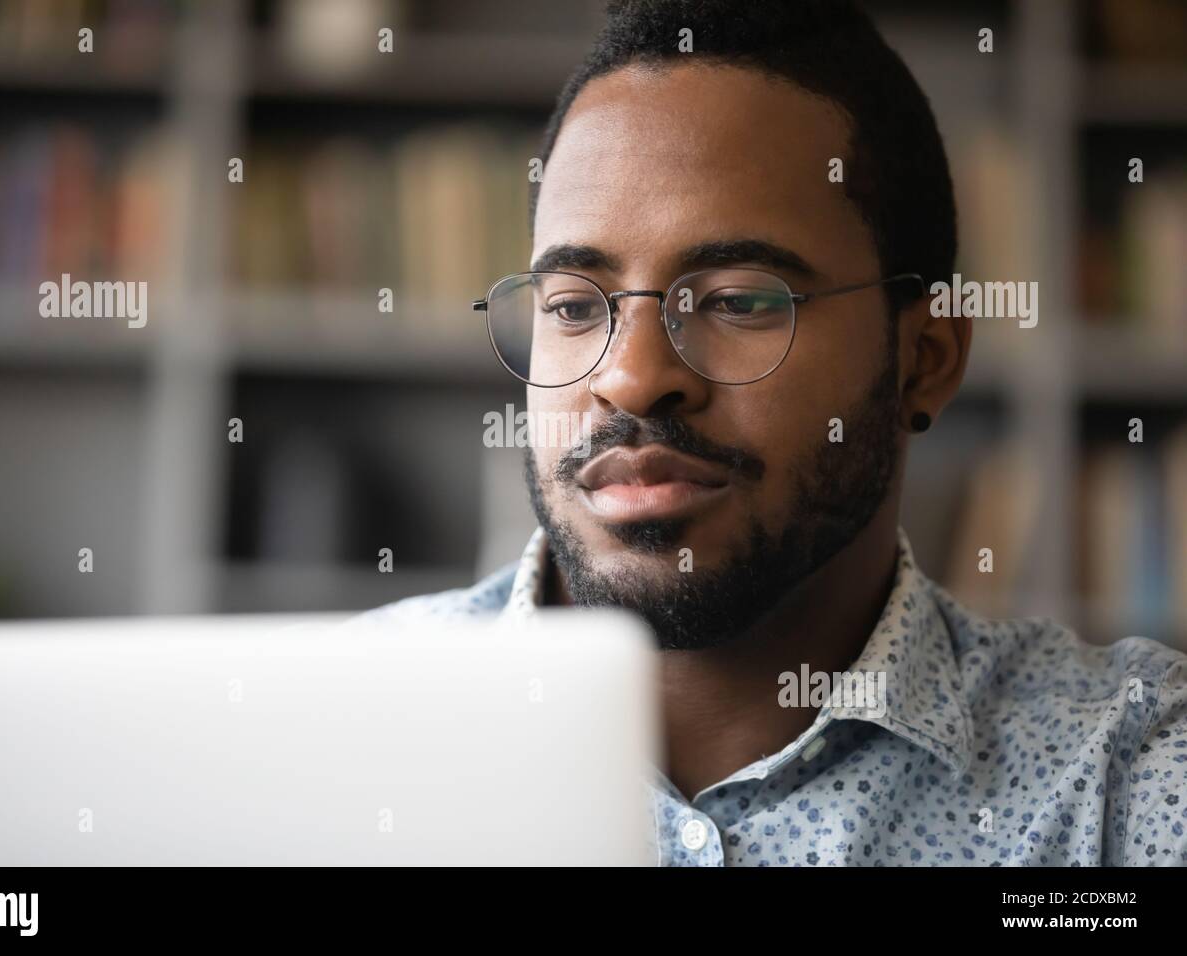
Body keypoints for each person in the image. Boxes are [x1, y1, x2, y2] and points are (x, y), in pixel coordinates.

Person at [357, 0, 1187, 866]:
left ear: (926, 359)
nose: (632, 376)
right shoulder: (339, 732)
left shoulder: (1128, 788)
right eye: (573, 306)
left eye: (740, 300)